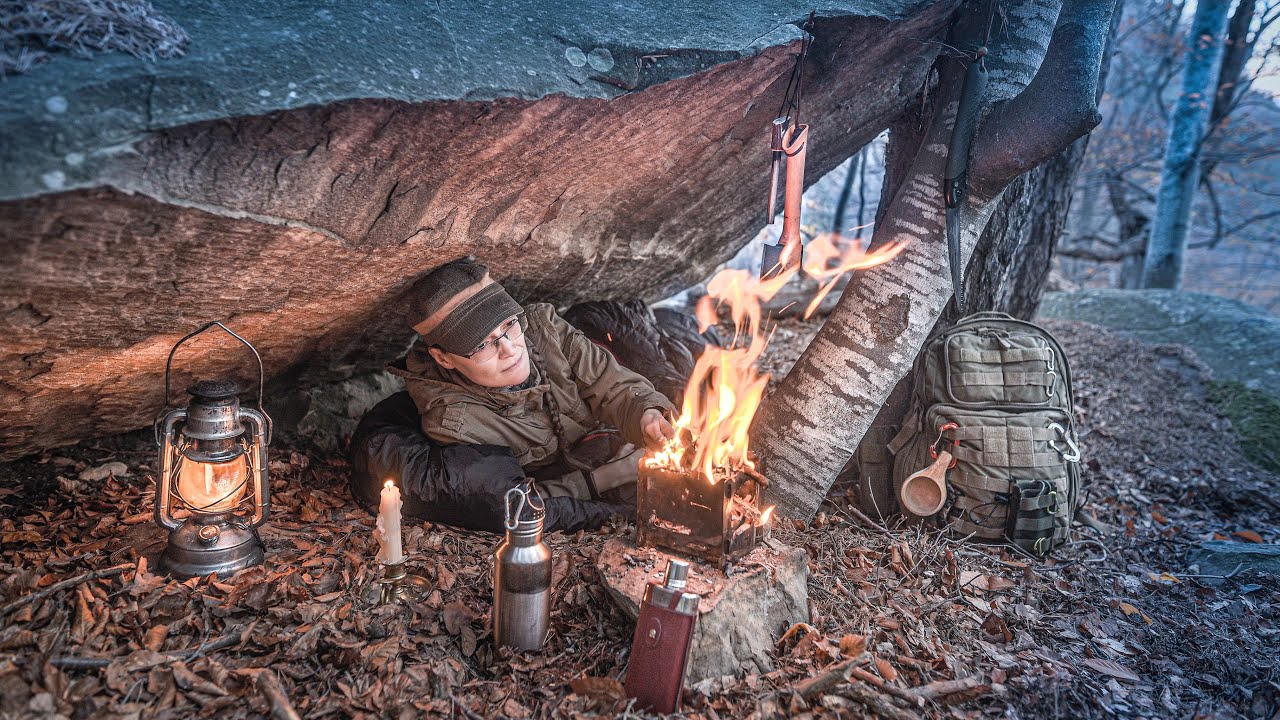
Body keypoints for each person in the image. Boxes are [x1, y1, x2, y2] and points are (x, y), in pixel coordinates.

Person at [393, 258, 676, 504]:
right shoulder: (456, 425)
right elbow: (504, 499)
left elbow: (611, 384)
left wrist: (646, 413)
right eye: (482, 345)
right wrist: (607, 478)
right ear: (444, 359)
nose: (510, 349)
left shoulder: (545, 330)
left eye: (508, 325)